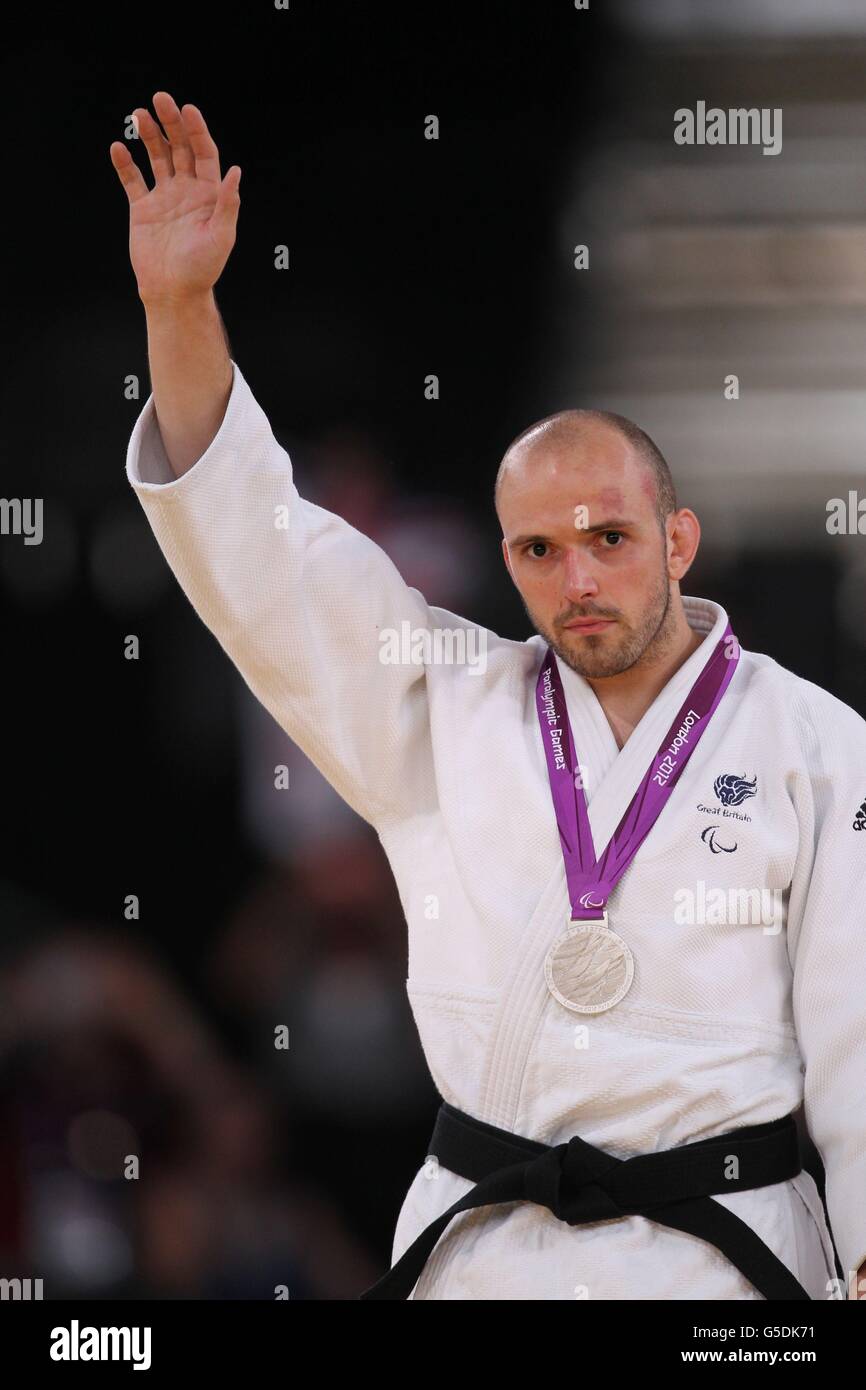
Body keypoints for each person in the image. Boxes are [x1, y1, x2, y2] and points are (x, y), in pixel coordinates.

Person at [111, 92, 866, 1301]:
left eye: (608, 537)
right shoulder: (444, 708)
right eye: (538, 552)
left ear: (679, 538)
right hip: (486, 1254)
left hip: (724, 1268)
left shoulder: (816, 744)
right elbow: (265, 558)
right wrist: (181, 307)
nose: (577, 580)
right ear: (499, 556)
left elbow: (860, 1031)